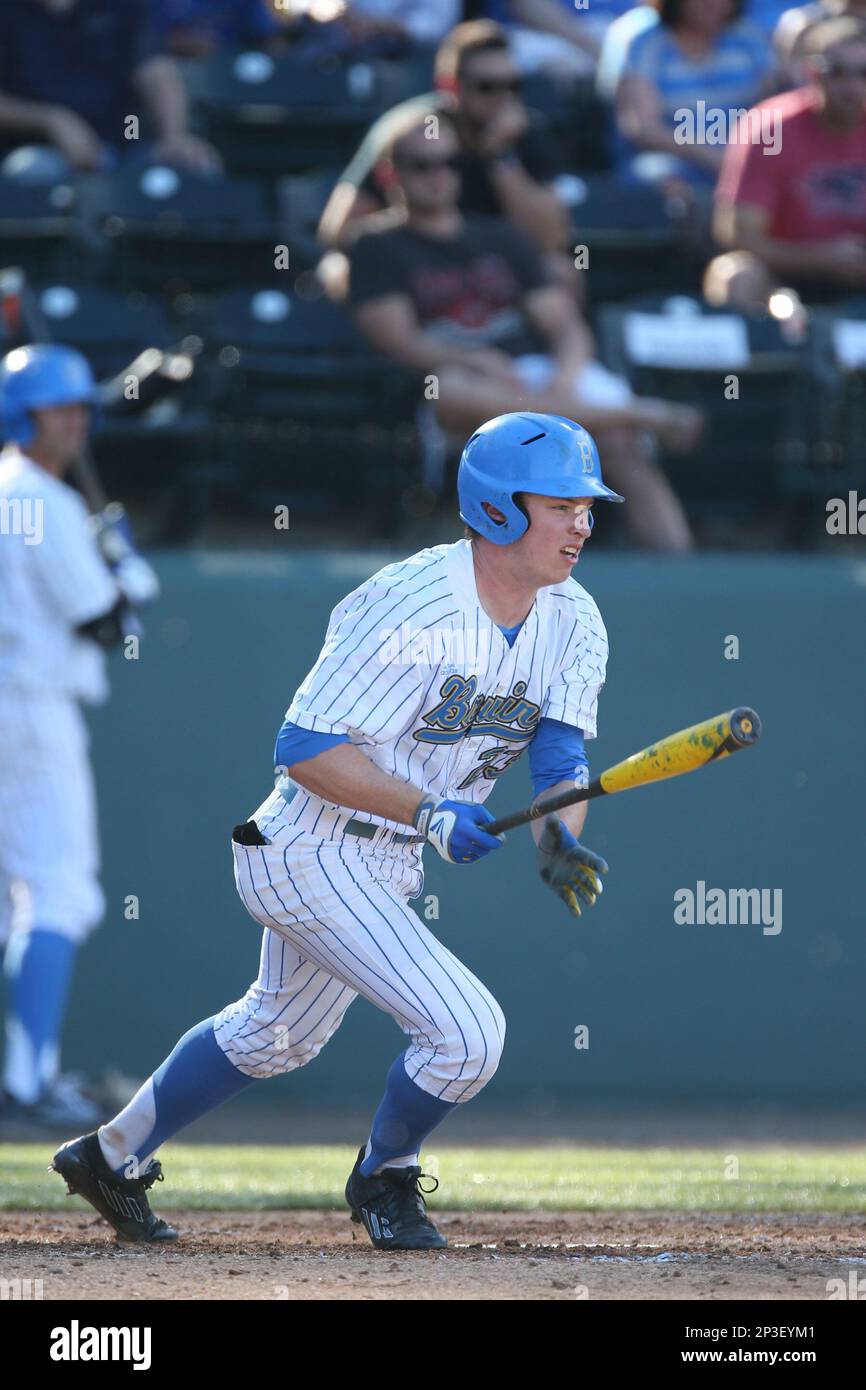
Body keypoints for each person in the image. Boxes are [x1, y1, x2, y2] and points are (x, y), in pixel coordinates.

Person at [50, 410, 616, 1250]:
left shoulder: (575, 619)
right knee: (467, 1034)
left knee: (275, 1036)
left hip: (385, 867)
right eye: (562, 503)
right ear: (499, 507)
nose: (582, 522)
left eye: (587, 505)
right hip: (305, 846)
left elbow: (560, 755)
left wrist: (558, 839)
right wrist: (429, 812)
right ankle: (382, 1177)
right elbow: (303, 748)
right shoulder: (408, 600)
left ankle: (108, 1154)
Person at [342, 109, 701, 551]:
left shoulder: (500, 236)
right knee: (451, 393)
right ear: (389, 172)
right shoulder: (376, 244)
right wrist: (472, 358)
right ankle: (639, 413)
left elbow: (565, 326)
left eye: (449, 163)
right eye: (421, 164)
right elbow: (399, 341)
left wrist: (567, 373)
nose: (437, 176)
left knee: (621, 446)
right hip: (458, 381)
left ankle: (679, 569)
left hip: (536, 371)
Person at [0, 345, 159, 1130]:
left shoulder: (16, 491)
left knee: (13, 902)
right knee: (59, 890)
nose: (75, 421)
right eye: (58, 409)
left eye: (80, 408)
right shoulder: (36, 496)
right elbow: (102, 620)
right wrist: (125, 566)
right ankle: (27, 1081)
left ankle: (22, 1073)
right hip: (29, 707)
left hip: (16, 699)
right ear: (23, 415)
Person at [318, 20, 570, 268]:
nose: (503, 98)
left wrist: (500, 156)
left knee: (558, 269)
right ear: (449, 85)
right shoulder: (410, 131)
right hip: (414, 265)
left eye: (513, 86)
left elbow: (552, 239)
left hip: (493, 270)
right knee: (338, 267)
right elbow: (339, 231)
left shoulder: (526, 132)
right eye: (487, 87)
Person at [706, 15, 866, 308]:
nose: (851, 86)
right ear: (811, 73)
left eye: (863, 73)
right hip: (784, 284)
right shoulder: (771, 129)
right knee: (736, 274)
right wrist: (820, 258)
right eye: (837, 72)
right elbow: (739, 235)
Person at [0, 0, 221, 184]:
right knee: (31, 171)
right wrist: (51, 119)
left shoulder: (121, 5)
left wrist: (174, 136)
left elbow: (157, 74)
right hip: (37, 149)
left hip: (125, 139)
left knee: (198, 169)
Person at [603, 0, 775, 192]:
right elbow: (643, 128)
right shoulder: (646, 43)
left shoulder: (748, 38)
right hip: (673, 161)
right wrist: (710, 155)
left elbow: (772, 107)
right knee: (666, 184)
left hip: (743, 157)